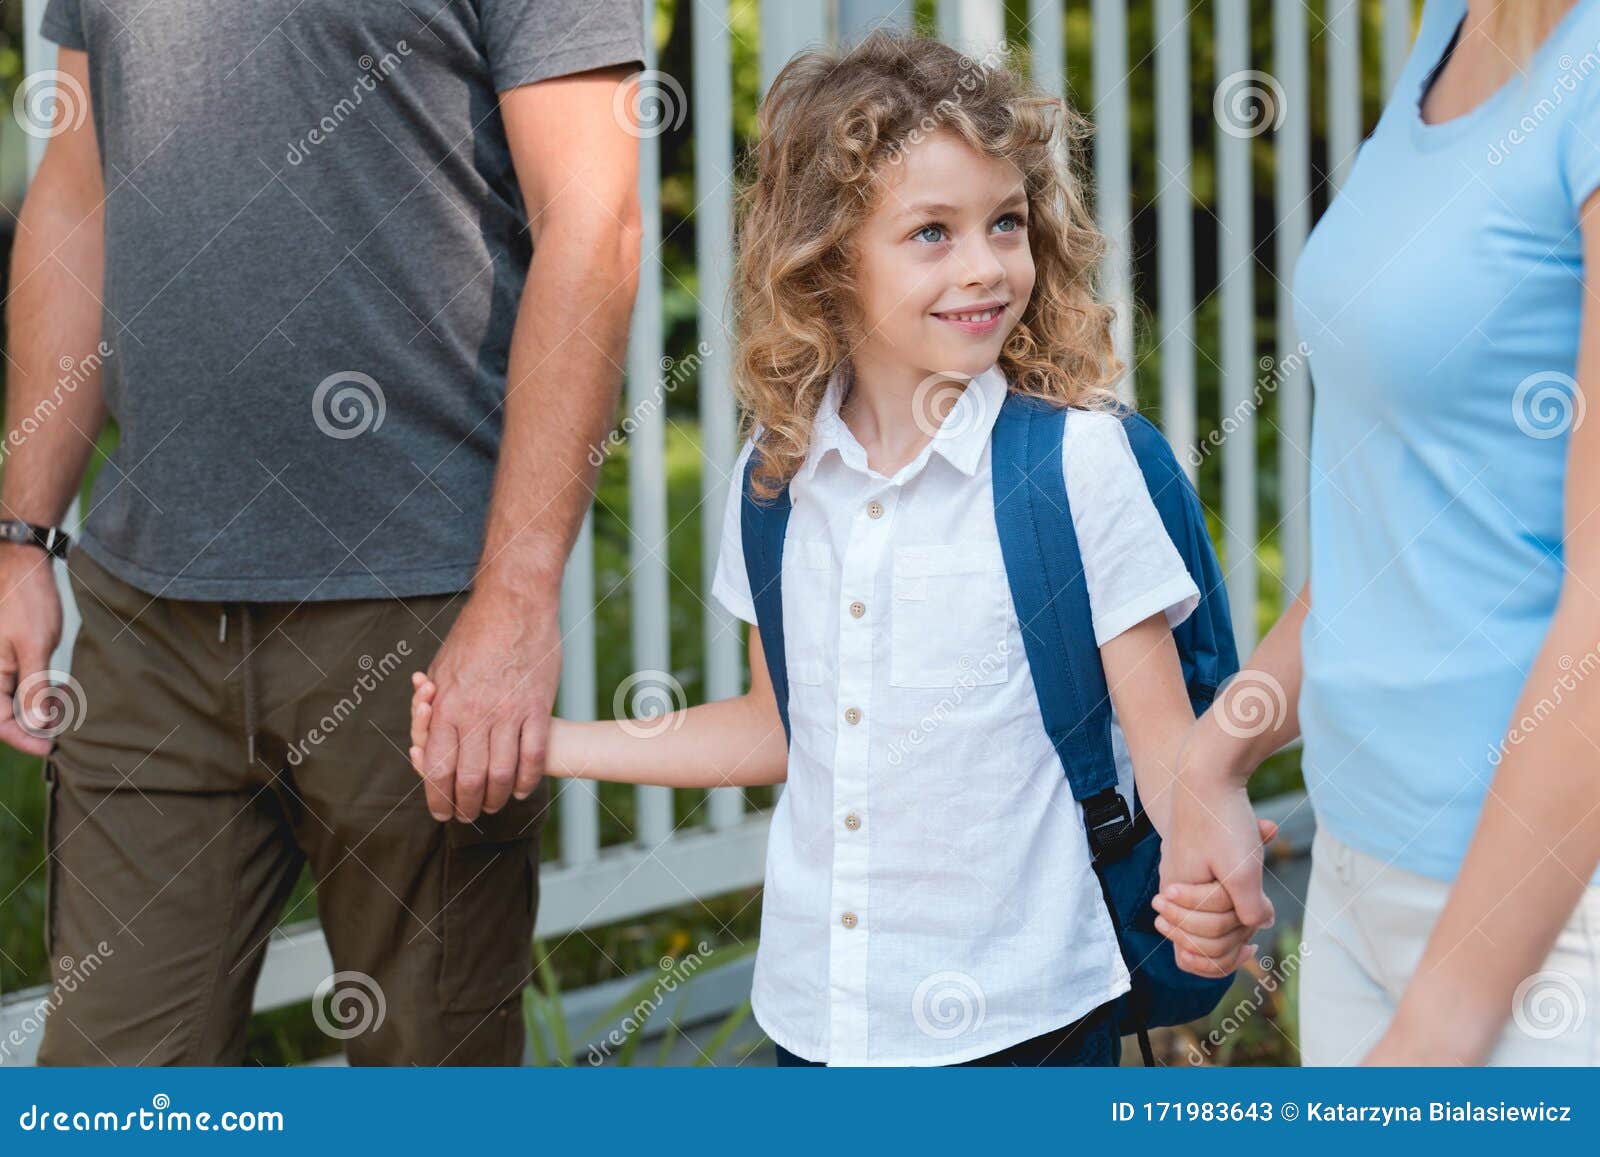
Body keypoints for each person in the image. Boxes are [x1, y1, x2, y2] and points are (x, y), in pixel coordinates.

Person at [411, 29, 1266, 1067]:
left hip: (1028, 1016)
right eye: (931, 234)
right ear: (827, 259)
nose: (986, 265)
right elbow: (780, 729)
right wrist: (548, 744)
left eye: (1005, 222)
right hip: (818, 1016)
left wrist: (1209, 878)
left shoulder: (1075, 464)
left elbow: (1168, 755)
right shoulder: (776, 482)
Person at [4, 1, 643, 1064]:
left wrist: (516, 602)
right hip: (148, 611)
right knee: (106, 1089)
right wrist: (22, 534)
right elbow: (79, 194)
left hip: (420, 615)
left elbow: (596, 221)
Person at [1157, 0, 1600, 1066]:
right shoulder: (1450, 30)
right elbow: (1411, 514)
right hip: (1360, 878)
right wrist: (1215, 753)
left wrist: (1436, 1028)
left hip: (1541, 937)